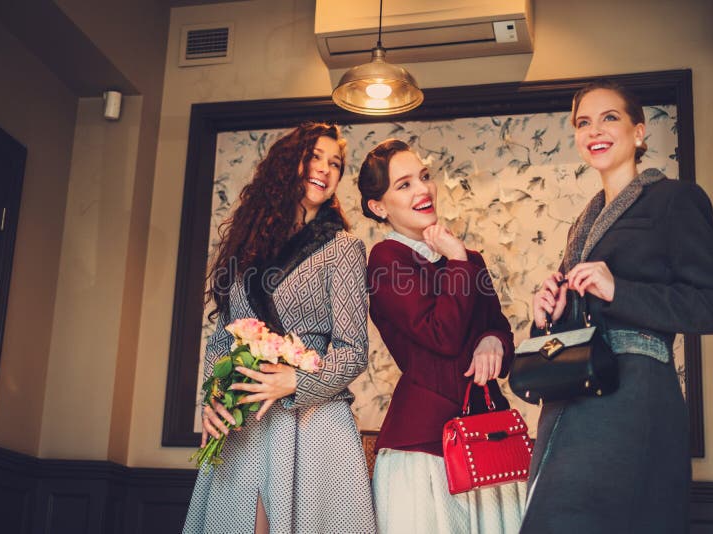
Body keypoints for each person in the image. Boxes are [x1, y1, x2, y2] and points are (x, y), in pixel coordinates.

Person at [520, 81, 713, 534]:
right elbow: (579, 320)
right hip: (569, 396)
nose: (594, 130)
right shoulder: (582, 221)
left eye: (609, 118)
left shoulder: (675, 199)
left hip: (635, 400)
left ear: (639, 133)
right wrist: (548, 313)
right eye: (583, 122)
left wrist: (618, 289)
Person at [183, 122, 376, 534]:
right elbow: (223, 337)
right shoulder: (246, 246)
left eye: (336, 164)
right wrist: (213, 398)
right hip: (246, 421)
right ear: (289, 164)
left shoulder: (343, 249)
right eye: (315, 157)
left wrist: (294, 380)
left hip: (313, 423)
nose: (325, 169)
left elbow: (353, 349)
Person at [358, 139, 526, 534]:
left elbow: (500, 331)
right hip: (423, 447)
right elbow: (443, 335)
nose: (422, 190)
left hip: (488, 440)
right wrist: (457, 260)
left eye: (424, 177)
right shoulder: (387, 261)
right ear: (378, 207)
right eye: (404, 184)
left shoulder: (470, 260)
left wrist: (494, 342)